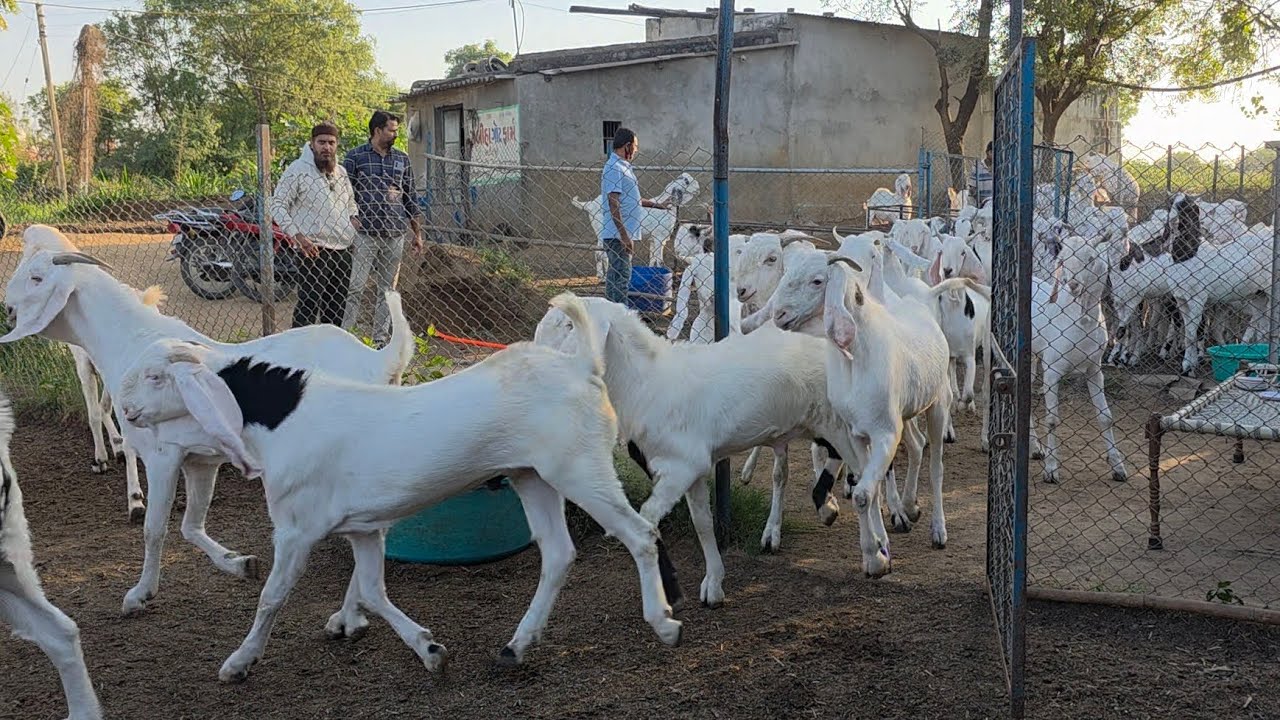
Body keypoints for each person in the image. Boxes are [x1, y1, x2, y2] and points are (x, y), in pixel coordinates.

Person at [342, 110, 423, 345]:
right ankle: (346, 337)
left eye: (396, 129)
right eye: (391, 129)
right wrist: (350, 217)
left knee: (387, 292)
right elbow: (343, 193)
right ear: (377, 130)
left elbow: (411, 196)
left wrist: (417, 233)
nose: (395, 133)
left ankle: (379, 339)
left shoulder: (401, 158)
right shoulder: (355, 157)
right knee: (355, 287)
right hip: (364, 233)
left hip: (394, 233)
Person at [269, 121, 359, 329]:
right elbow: (277, 205)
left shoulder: (341, 173)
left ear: (336, 145)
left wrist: (353, 221)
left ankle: (329, 355)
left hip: (342, 250)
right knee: (309, 306)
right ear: (312, 144)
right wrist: (297, 236)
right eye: (321, 142)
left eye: (331, 142)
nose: (326, 147)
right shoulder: (298, 170)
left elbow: (351, 203)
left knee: (336, 309)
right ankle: (300, 355)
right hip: (313, 249)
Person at [599, 127, 671, 305]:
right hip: (617, 235)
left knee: (616, 275)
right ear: (627, 146)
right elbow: (613, 201)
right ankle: (618, 315)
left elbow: (633, 200)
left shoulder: (623, 167)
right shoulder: (614, 168)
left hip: (621, 233)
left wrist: (657, 205)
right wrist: (624, 235)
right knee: (622, 276)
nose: (636, 151)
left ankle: (612, 312)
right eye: (636, 146)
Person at [970, 140, 994, 207]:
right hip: (981, 204)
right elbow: (972, 187)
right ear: (987, 152)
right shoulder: (977, 167)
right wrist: (981, 201)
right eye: (992, 152)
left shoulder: (1000, 167)